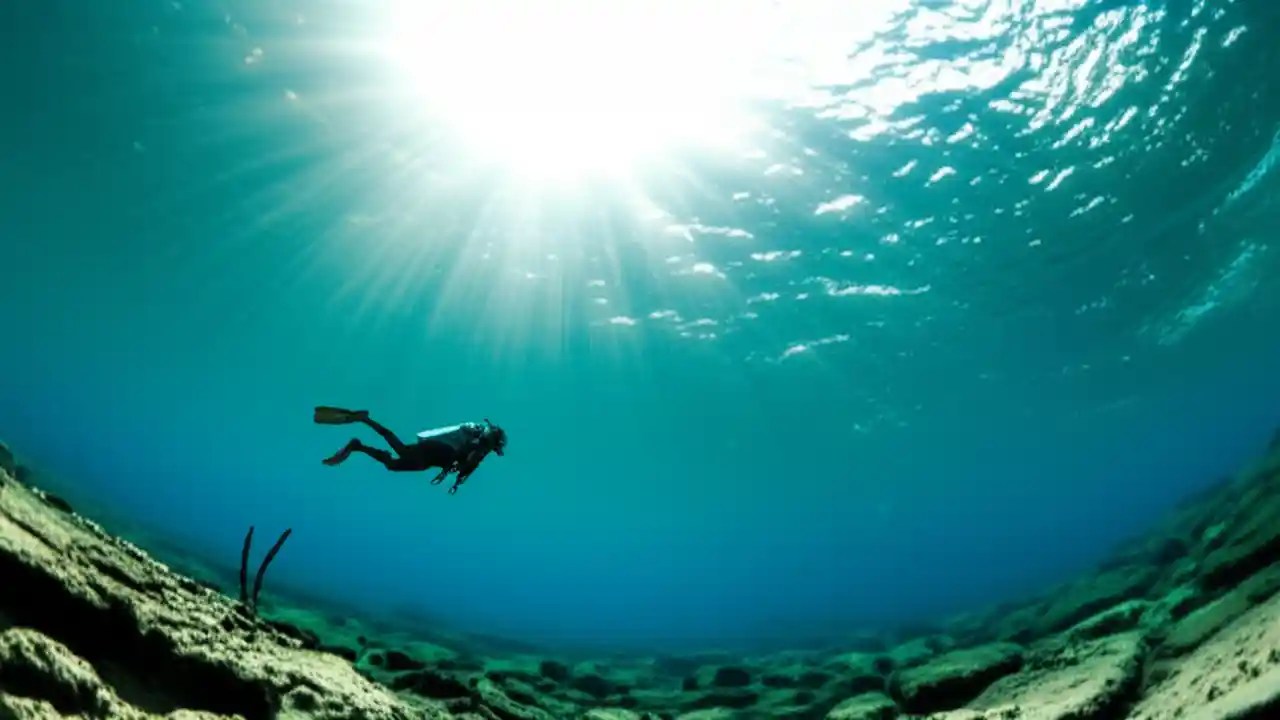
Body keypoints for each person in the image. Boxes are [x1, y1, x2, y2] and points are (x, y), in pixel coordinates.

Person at [314, 407, 507, 494]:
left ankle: (360, 440)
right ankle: (362, 428)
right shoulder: (479, 444)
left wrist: (455, 479)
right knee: (399, 455)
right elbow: (467, 460)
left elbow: (467, 464)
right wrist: (454, 476)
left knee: (396, 458)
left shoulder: (479, 443)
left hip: (433, 455)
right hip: (436, 452)